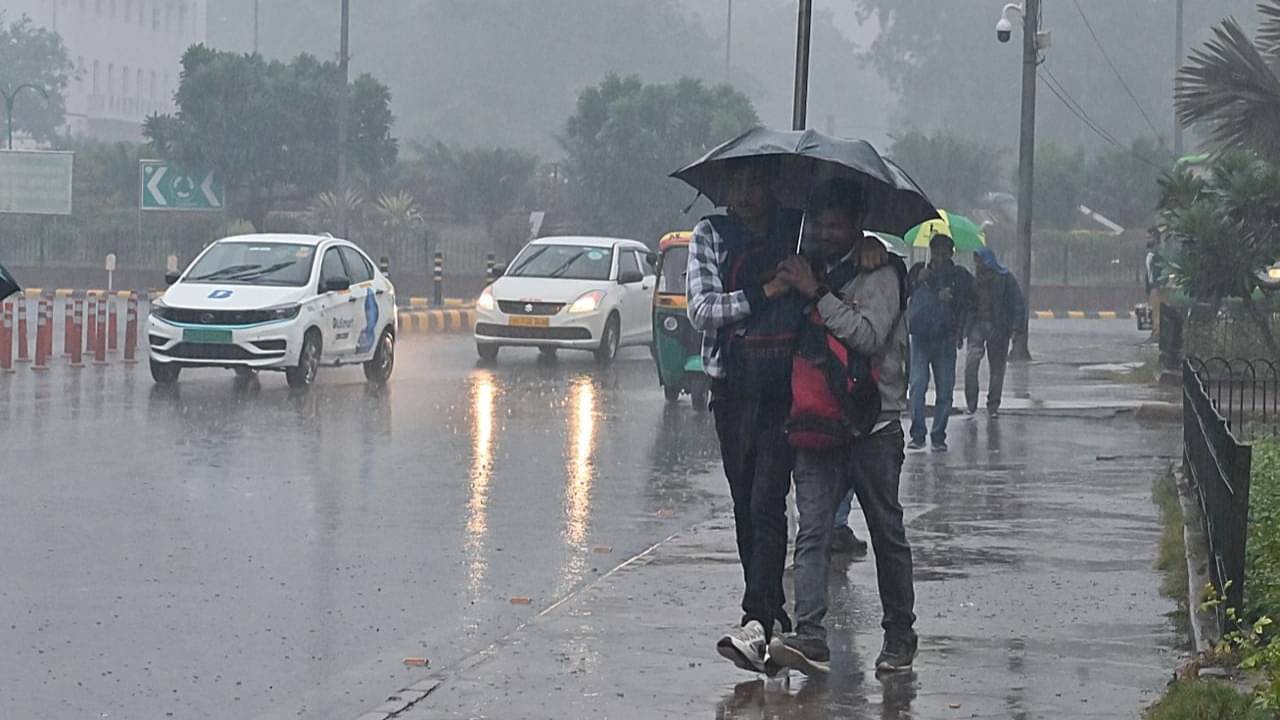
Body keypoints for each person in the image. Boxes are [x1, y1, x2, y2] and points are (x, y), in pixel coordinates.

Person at [769, 180, 918, 676]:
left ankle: (899, 634)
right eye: (819, 224)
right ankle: (810, 633)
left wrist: (818, 294)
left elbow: (870, 336)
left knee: (886, 532)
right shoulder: (799, 263)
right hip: (814, 425)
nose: (825, 234)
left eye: (836, 225)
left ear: (857, 225)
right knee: (812, 532)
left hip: (872, 428)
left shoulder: (883, 272)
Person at [687, 159, 805, 673]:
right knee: (742, 503)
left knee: (766, 502)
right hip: (732, 388)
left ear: (771, 184)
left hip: (784, 388)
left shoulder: (796, 229)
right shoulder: (710, 234)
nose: (742, 192)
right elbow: (702, 309)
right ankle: (772, 610)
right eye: (734, 183)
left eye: (752, 181)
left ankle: (755, 620)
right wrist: (765, 293)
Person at [906, 234, 973, 452]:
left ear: (951, 253)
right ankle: (917, 434)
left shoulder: (960, 276)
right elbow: (904, 293)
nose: (941, 256)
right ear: (931, 251)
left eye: (945, 252)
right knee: (917, 387)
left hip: (946, 338)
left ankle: (938, 435)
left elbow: (968, 304)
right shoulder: (919, 270)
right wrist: (918, 280)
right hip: (920, 337)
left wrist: (960, 330)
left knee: (945, 390)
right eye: (937, 251)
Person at [964, 247, 1026, 417]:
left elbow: (1018, 304)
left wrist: (1015, 329)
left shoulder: (1005, 279)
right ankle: (971, 403)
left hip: (999, 328)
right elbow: (968, 305)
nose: (977, 263)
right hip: (977, 326)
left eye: (979, 259)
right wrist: (963, 329)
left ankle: (993, 405)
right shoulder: (974, 280)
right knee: (971, 364)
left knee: (997, 368)